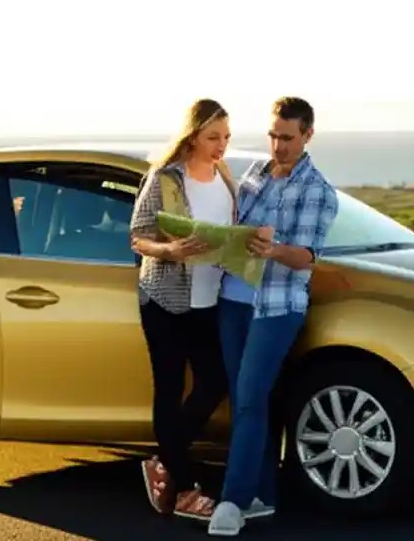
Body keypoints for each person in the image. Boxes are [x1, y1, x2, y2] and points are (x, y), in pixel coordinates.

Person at [206, 96, 340, 537]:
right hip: (232, 299)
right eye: (273, 135)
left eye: (287, 137)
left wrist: (273, 250)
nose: (278, 145)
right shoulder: (255, 175)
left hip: (277, 306)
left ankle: (232, 501)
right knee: (246, 399)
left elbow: (307, 257)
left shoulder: (317, 190)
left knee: (249, 396)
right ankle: (262, 493)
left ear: (307, 135)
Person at [129, 98, 238, 519]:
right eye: (213, 137)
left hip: (209, 301)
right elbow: (137, 236)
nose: (221, 145)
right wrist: (170, 250)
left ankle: (165, 459)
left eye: (226, 137)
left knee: (214, 381)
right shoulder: (166, 177)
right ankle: (186, 490)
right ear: (193, 136)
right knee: (170, 390)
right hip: (165, 300)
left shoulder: (224, 176)